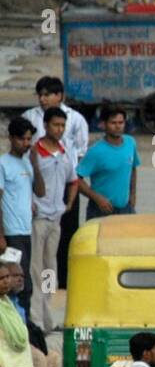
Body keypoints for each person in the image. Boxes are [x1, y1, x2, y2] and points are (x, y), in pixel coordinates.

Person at [22, 79, 89, 291]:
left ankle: (56, 287)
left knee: (58, 248)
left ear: (59, 96)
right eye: (40, 95)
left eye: (47, 94)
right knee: (37, 256)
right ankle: (36, 296)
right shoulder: (30, 121)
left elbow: (78, 160)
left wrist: (69, 201)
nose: (43, 99)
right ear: (44, 127)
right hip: (38, 204)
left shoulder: (75, 122)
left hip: (60, 198)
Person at [29, 107, 79, 331]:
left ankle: (48, 318)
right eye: (55, 125)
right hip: (37, 218)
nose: (59, 129)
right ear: (46, 125)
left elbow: (74, 179)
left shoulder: (65, 150)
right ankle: (36, 318)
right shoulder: (34, 152)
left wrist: (68, 203)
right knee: (35, 269)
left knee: (50, 269)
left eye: (62, 126)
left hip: (55, 219)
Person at [1, 115, 46, 316]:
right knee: (17, 281)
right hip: (11, 232)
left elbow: (41, 192)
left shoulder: (28, 163)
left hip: (26, 230)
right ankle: (18, 321)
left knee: (25, 280)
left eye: (29, 139)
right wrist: (1, 235)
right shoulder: (3, 163)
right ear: (11, 138)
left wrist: (35, 164)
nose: (26, 144)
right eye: (22, 139)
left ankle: (24, 321)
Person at [77, 106, 139, 219]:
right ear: (103, 124)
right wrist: (97, 198)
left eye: (121, 122)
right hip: (101, 210)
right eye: (113, 123)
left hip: (126, 208)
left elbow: (133, 169)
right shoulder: (95, 151)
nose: (117, 126)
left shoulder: (131, 143)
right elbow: (77, 179)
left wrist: (133, 195)